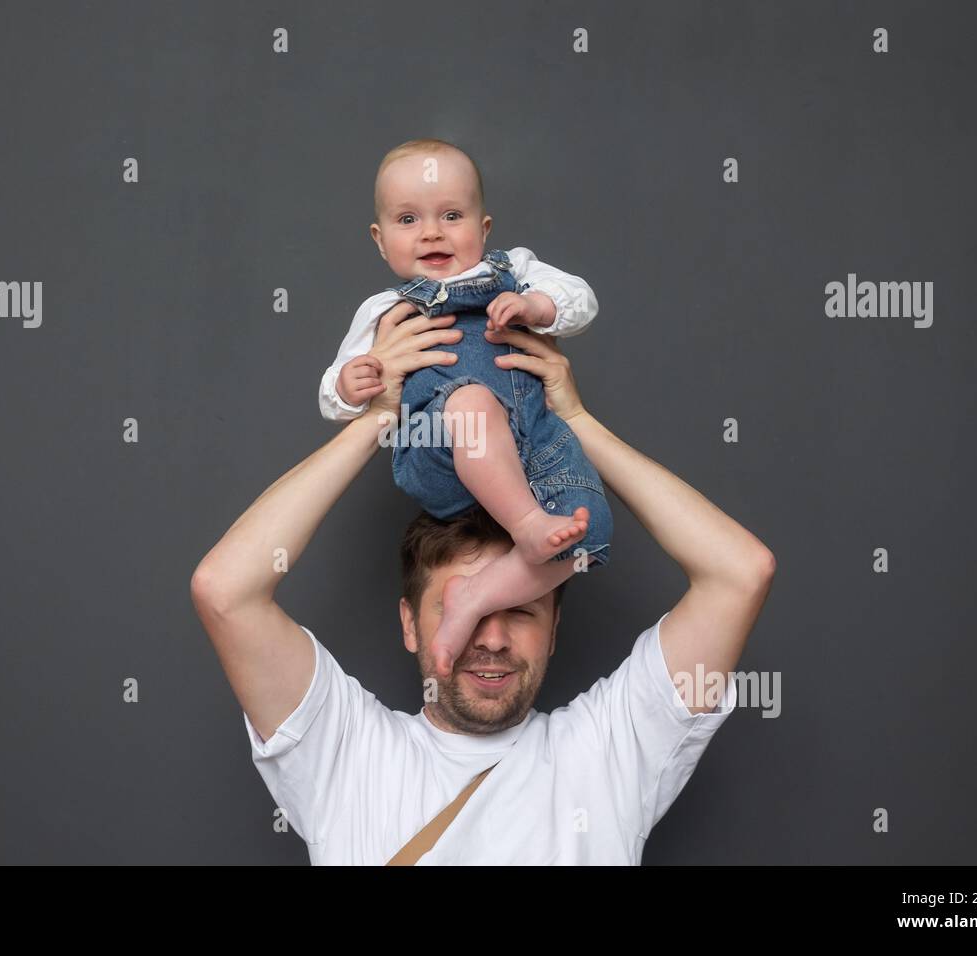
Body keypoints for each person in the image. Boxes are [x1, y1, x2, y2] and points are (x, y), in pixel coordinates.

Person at [191, 308, 776, 864]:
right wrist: (375, 421)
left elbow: (738, 573)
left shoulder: (607, 752)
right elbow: (225, 590)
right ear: (408, 624)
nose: (491, 638)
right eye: (462, 608)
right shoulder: (345, 754)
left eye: (519, 610)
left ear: (554, 630)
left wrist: (573, 424)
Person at [318, 139, 611, 677]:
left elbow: (580, 300)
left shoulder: (514, 269)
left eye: (452, 215)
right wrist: (353, 380)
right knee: (471, 402)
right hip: (437, 452)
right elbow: (332, 396)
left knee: (586, 534)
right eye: (409, 219)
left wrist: (535, 306)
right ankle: (526, 524)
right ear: (381, 241)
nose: (432, 231)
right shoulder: (384, 310)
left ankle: (475, 597)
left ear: (485, 228)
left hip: (531, 445)